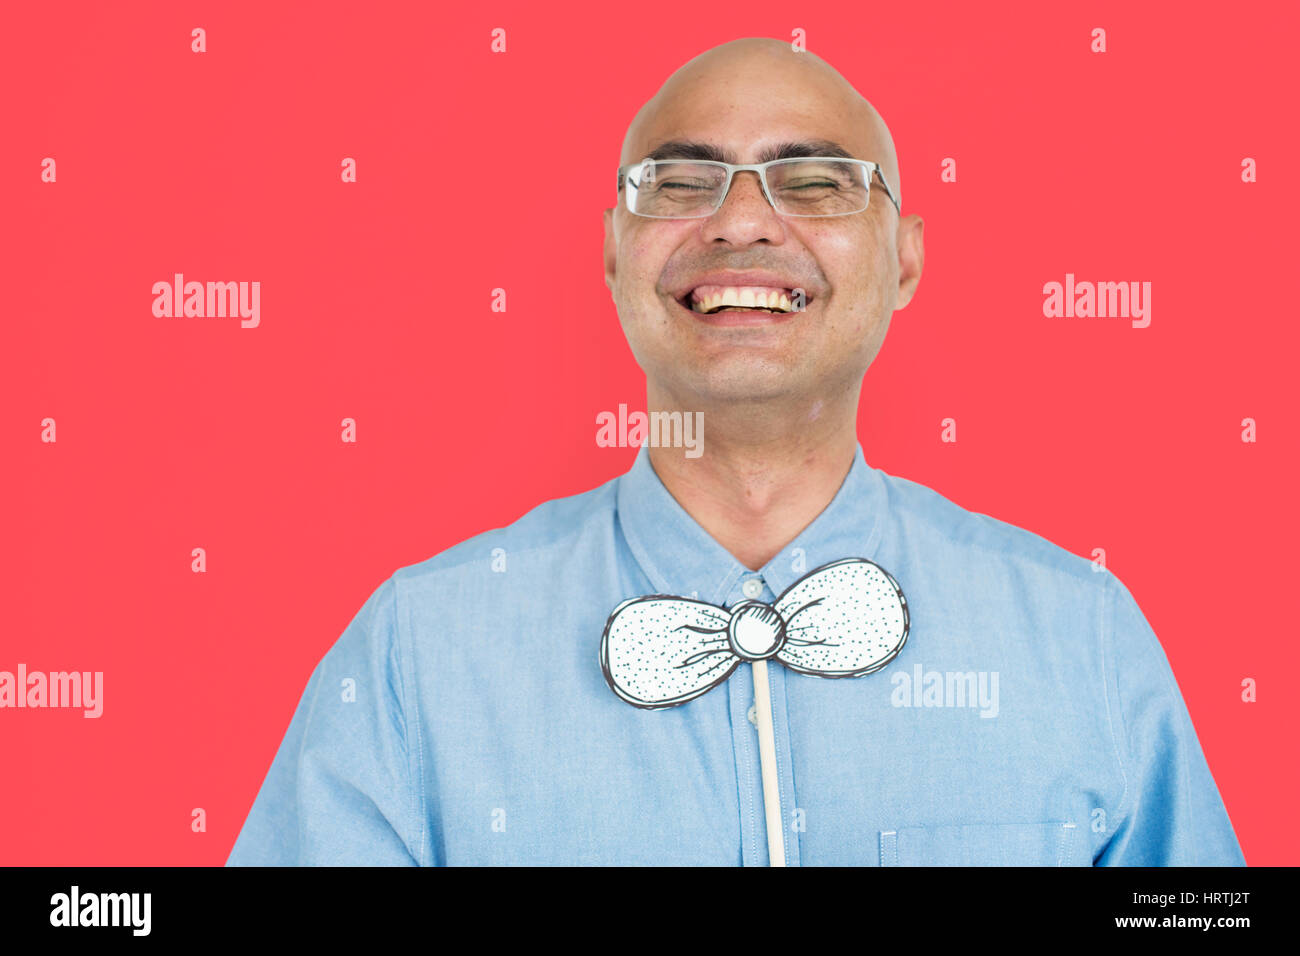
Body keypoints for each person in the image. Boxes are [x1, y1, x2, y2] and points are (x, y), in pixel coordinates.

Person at [226, 37, 1244, 866]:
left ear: (905, 261)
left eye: (813, 181)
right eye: (680, 182)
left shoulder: (1081, 637)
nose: (743, 220)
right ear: (615, 254)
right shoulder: (418, 654)